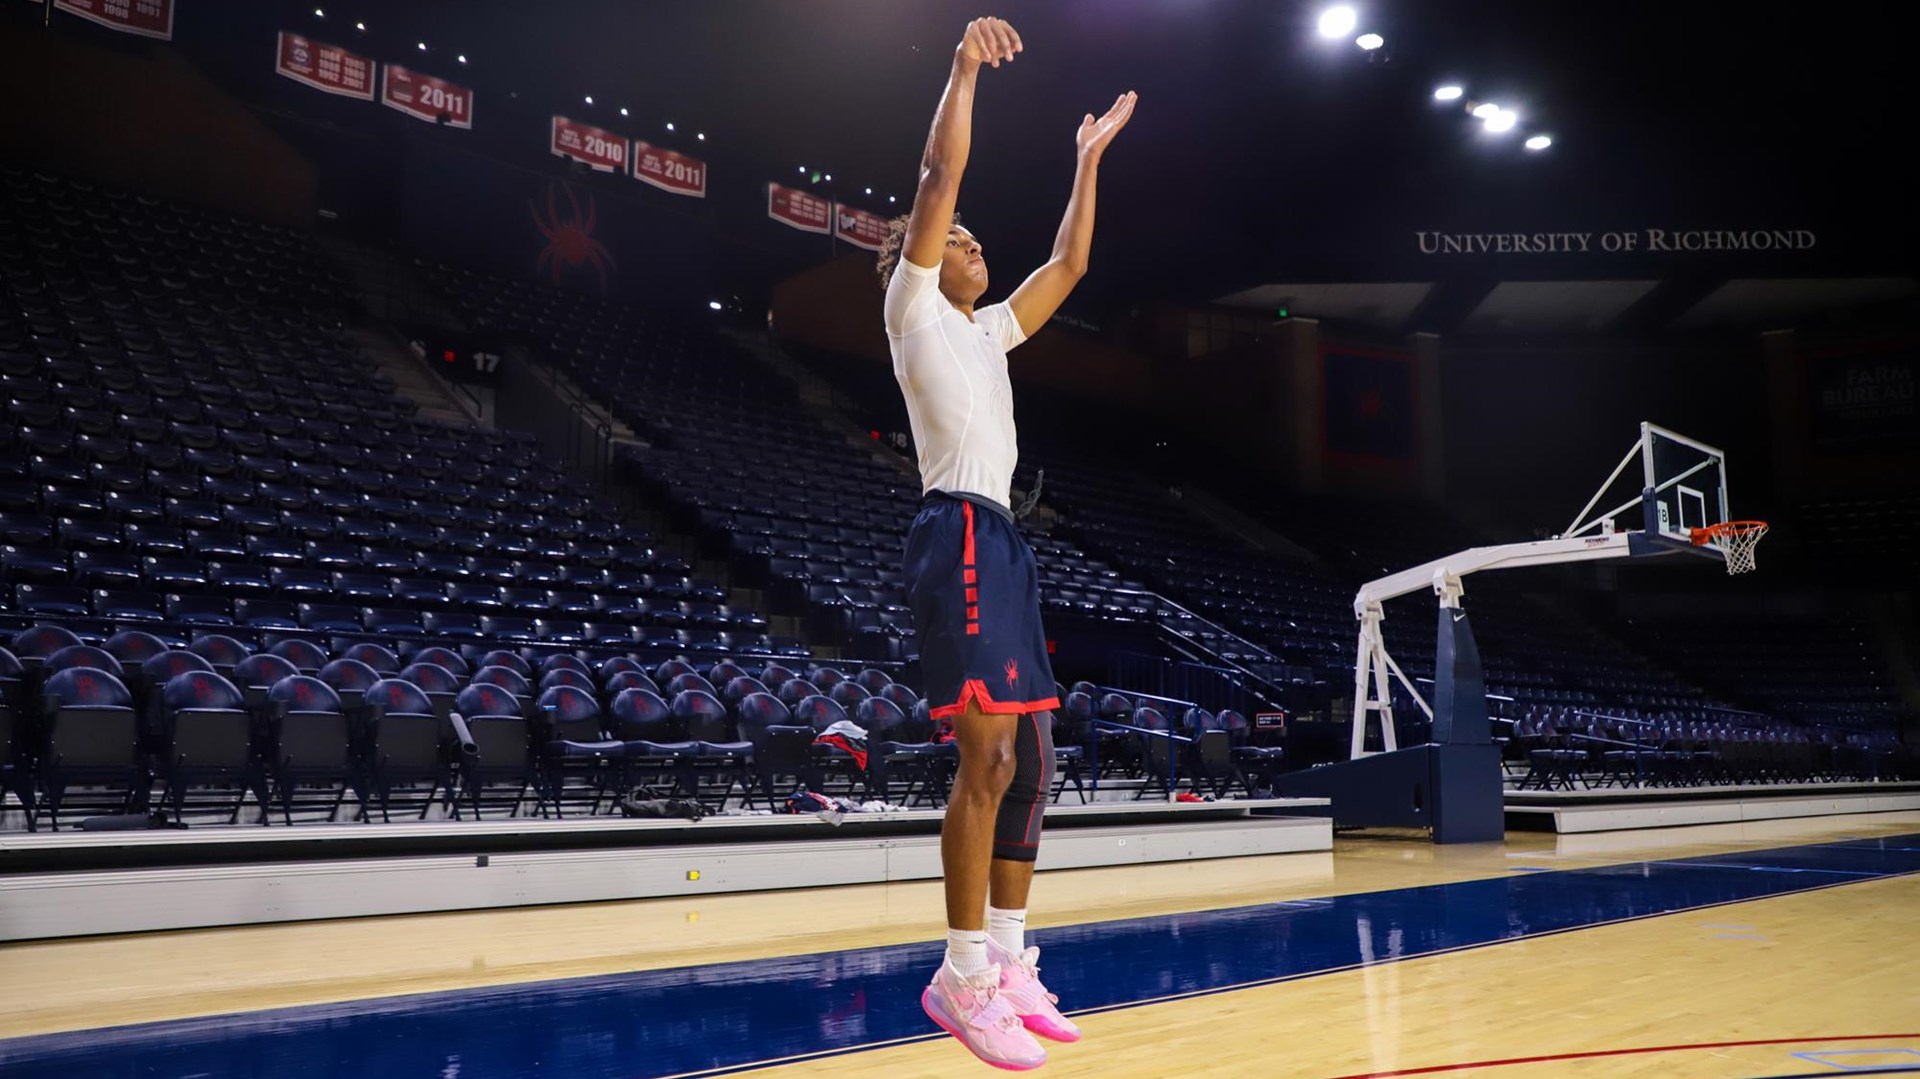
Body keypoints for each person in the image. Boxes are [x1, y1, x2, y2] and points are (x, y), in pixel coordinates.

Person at [874, 15, 1136, 1071]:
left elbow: (1070, 262)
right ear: (922, 258)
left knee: (1032, 760)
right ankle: (961, 969)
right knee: (983, 754)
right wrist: (963, 69)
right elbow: (939, 171)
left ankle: (1015, 959)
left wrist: (1086, 161)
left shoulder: (988, 330)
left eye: (982, 241)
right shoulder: (914, 310)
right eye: (963, 240)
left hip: (1006, 539)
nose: (978, 246)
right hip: (958, 533)